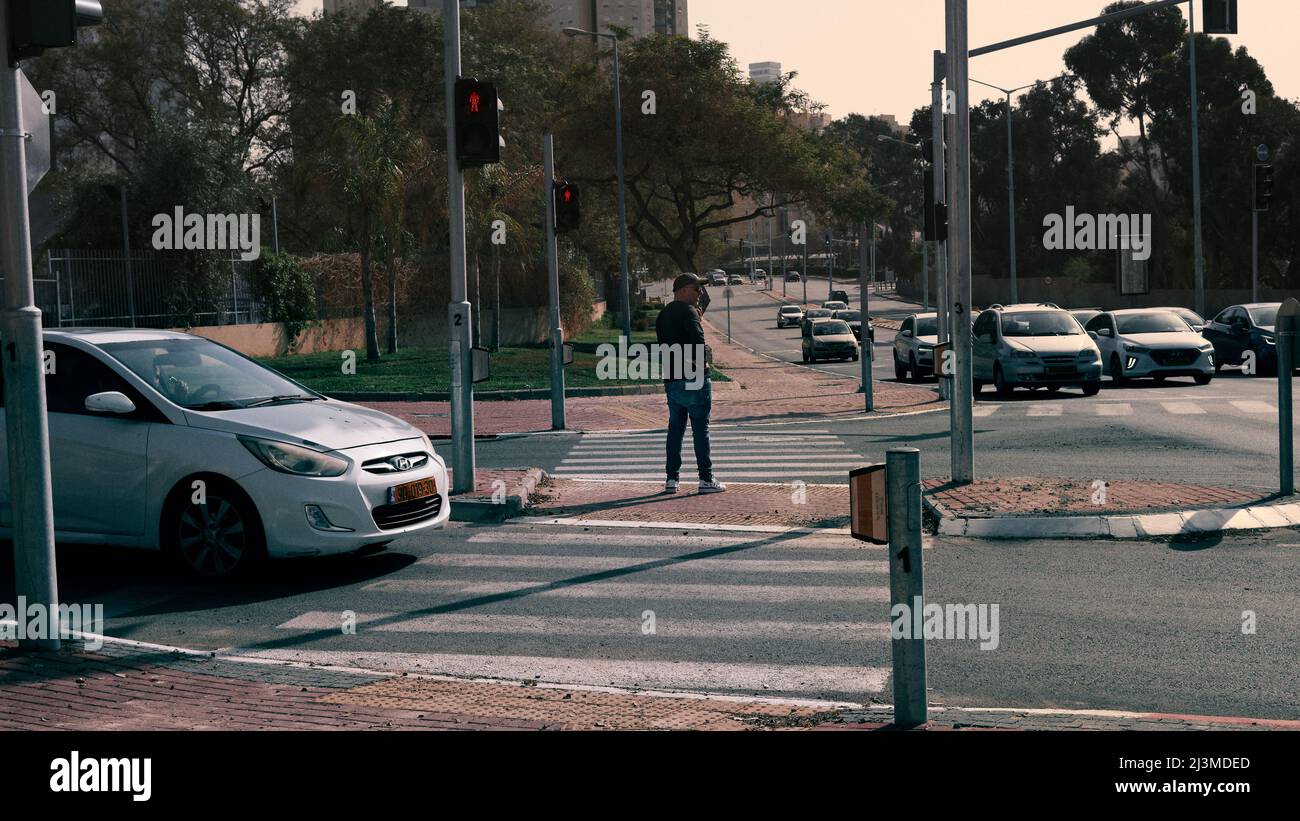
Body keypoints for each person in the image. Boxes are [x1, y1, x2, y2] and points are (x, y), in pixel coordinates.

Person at [656, 274, 725, 494]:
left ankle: (671, 480)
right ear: (684, 290)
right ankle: (706, 479)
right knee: (700, 429)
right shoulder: (689, 312)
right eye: (697, 289)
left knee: (675, 429)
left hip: (672, 379)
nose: (700, 293)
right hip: (694, 379)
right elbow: (698, 342)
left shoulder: (663, 314)